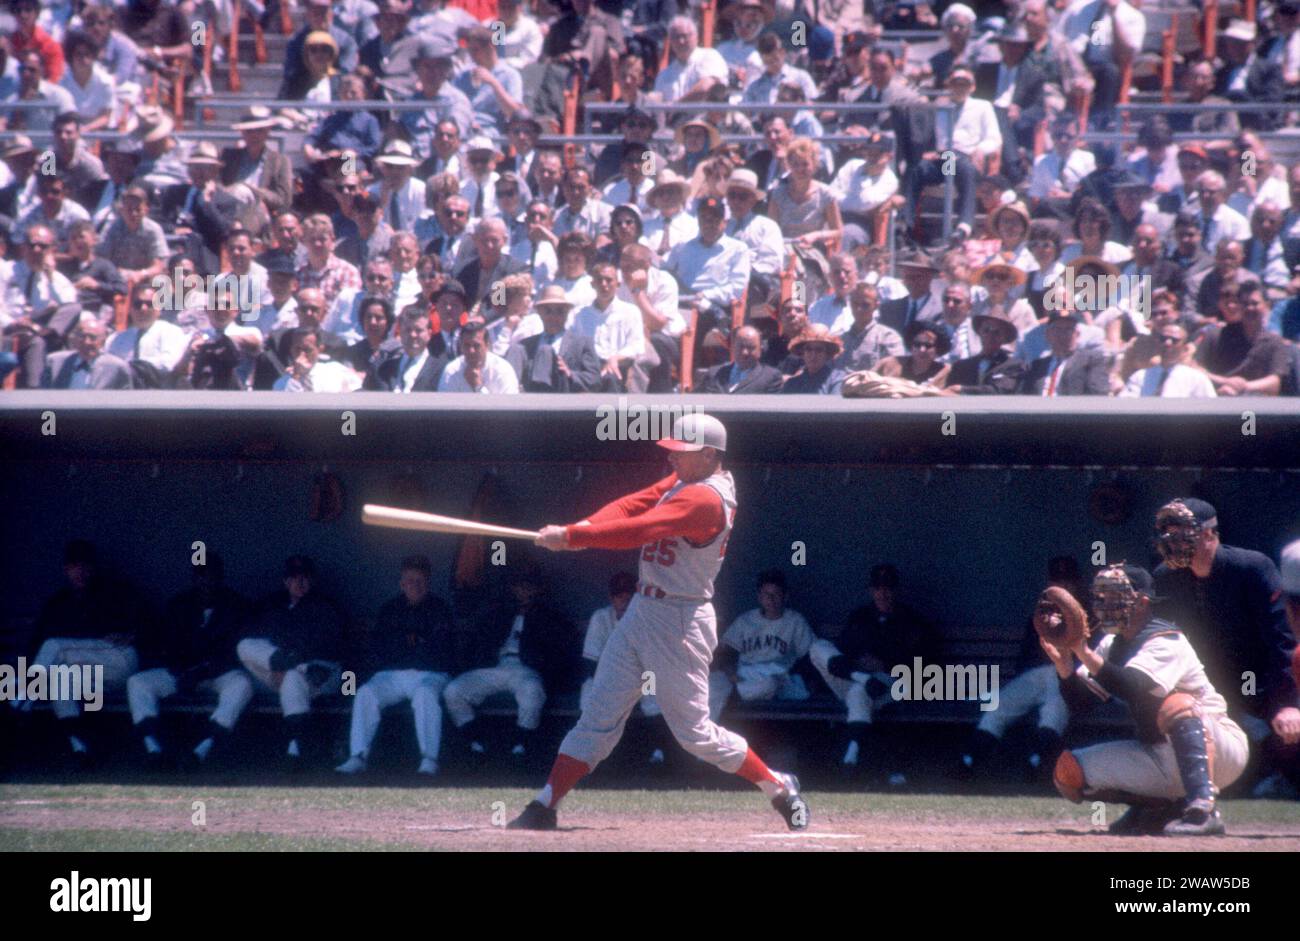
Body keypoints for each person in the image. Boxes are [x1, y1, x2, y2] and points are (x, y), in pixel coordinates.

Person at [509, 414, 809, 832]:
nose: (671, 458)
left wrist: (574, 539)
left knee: (695, 736)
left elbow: (642, 528)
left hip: (681, 621)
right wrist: (583, 528)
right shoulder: (683, 479)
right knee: (597, 715)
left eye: (680, 452)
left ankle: (777, 785)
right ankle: (546, 803)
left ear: (708, 455)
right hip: (642, 611)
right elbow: (634, 504)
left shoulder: (707, 499)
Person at [1049, 565, 1247, 836]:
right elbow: (1082, 704)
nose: (1104, 604)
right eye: (1101, 597)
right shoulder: (1111, 642)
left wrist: (1082, 651)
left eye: (1114, 596)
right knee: (1068, 772)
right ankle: (1159, 809)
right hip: (1157, 753)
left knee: (1176, 704)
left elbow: (1135, 687)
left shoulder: (1166, 639)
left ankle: (1204, 810)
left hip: (1219, 747)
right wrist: (1065, 667)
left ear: (1141, 601)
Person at [1151, 498, 1299, 799]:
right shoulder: (1166, 578)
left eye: (1181, 533)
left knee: (1286, 741)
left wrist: (1287, 702)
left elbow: (1280, 640)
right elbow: (1162, 641)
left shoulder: (1251, 567)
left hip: (1256, 681)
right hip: (1205, 686)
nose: (1173, 542)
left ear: (1209, 534)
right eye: (1169, 534)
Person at [958, 557, 1085, 781]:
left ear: (1076, 584)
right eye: (1058, 582)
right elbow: (1026, 660)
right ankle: (969, 761)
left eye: (1068, 582)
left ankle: (1034, 763)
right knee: (999, 706)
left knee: (1054, 711)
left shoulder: (1088, 615)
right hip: (1037, 676)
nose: (1063, 587)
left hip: (1069, 678)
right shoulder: (1041, 614)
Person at [809, 563, 938, 780]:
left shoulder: (911, 619)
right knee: (817, 647)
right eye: (878, 588)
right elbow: (841, 650)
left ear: (896, 590)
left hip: (886, 685)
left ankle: (850, 758)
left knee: (860, 694)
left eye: (887, 588)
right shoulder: (860, 616)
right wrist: (859, 665)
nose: (882, 593)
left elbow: (924, 662)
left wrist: (885, 665)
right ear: (871, 590)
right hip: (852, 677)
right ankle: (861, 679)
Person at [125, 553, 254, 768]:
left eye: (212, 576)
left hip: (218, 674)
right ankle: (155, 750)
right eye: (202, 575)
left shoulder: (237, 604)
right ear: (194, 578)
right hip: (183, 674)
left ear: (221, 577)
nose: (207, 581)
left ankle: (203, 749)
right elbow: (168, 643)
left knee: (242, 685)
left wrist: (205, 670)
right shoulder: (179, 604)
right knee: (137, 682)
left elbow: (236, 649)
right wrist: (181, 670)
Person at [443, 564, 580, 762]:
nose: (524, 592)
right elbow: (478, 640)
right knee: (453, 691)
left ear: (538, 589)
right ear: (513, 588)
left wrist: (544, 667)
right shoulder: (499, 611)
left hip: (527, 670)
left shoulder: (548, 615)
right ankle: (476, 740)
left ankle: (521, 744)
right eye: (520, 587)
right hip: (495, 666)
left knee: (533, 692)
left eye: (529, 587)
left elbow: (559, 652)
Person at [335, 555, 456, 776]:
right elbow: (380, 649)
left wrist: (407, 645)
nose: (415, 585)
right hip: (392, 674)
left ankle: (429, 760)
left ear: (427, 582)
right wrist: (414, 643)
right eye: (410, 580)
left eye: (420, 580)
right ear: (402, 583)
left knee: (425, 695)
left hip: (430, 674)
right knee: (365, 693)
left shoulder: (440, 609)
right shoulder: (390, 609)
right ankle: (358, 756)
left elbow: (440, 651)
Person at [236, 555, 347, 768]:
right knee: (245, 645)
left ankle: (296, 750)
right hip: (277, 671)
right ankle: (303, 746)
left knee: (293, 678)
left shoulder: (324, 606)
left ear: (312, 580)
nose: (300, 583)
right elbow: (255, 639)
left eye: (305, 577)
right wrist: (280, 663)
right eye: (294, 578)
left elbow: (328, 646)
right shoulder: (273, 605)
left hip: (318, 674)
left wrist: (291, 663)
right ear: (286, 581)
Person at [710, 569, 815, 717]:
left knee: (769, 684)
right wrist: (730, 671)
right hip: (744, 674)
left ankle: (731, 695)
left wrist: (809, 680)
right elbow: (726, 652)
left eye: (776, 594)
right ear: (760, 596)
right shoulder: (746, 620)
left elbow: (810, 656)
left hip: (776, 675)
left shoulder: (795, 621)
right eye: (767, 594)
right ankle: (701, 736)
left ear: (785, 596)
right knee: (712, 682)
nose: (771, 599)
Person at [1194, 280, 1290, 396]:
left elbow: (1274, 383)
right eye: (1245, 303)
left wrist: (1243, 387)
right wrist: (1225, 382)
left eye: (1254, 303)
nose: (1250, 308)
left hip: (1257, 405)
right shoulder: (1216, 335)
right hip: (1219, 400)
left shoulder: (1274, 342)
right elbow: (1195, 369)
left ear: (1267, 305)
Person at [504, 285, 602, 392]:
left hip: (562, 397)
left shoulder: (581, 343)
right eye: (548, 311)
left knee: (545, 350)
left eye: (560, 311)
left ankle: (543, 400)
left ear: (567, 313)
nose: (553, 316)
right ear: (540, 313)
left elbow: (595, 379)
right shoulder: (526, 345)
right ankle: (508, 399)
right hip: (527, 395)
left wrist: (570, 373)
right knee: (516, 349)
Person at [1019, 309, 1110, 395]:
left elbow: (1098, 395)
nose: (1063, 335)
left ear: (1077, 335)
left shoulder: (1091, 361)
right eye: (1058, 329)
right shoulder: (1037, 366)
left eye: (1069, 330)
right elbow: (1025, 395)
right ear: (1048, 335)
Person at [367, 305, 448, 392]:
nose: (413, 335)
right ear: (400, 332)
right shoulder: (383, 369)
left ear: (429, 334)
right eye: (408, 330)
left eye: (418, 330)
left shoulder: (442, 369)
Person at [944, 307, 1025, 395]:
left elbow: (1000, 391)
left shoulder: (1013, 366)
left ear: (1004, 337)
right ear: (979, 332)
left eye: (997, 332)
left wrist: (963, 389)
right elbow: (948, 393)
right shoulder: (961, 366)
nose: (990, 336)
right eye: (986, 330)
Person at [1120, 325, 1216, 398]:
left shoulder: (1197, 379)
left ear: (1185, 347)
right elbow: (1125, 406)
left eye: (1174, 340)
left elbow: (1210, 410)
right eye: (1163, 339)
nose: (1167, 343)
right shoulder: (1140, 376)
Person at [41, 315, 131, 389]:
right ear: (74, 338)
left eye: (92, 338)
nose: (86, 342)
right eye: (82, 336)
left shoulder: (116, 368)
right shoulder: (55, 363)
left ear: (103, 341)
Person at [694, 324, 784, 394]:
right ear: (732, 347)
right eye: (740, 347)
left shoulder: (771, 377)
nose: (744, 352)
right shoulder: (714, 373)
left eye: (750, 347)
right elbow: (693, 403)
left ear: (761, 349)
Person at [437, 318, 519, 393]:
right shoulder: (452, 371)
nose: (471, 351)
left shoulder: (502, 370)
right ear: (461, 346)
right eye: (467, 345)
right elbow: (444, 406)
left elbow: (509, 407)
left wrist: (478, 387)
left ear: (487, 346)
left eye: (476, 346)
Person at [780, 323, 848, 394]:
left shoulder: (837, 379)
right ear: (803, 353)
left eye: (819, 350)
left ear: (827, 354)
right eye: (808, 349)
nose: (813, 354)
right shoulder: (791, 384)